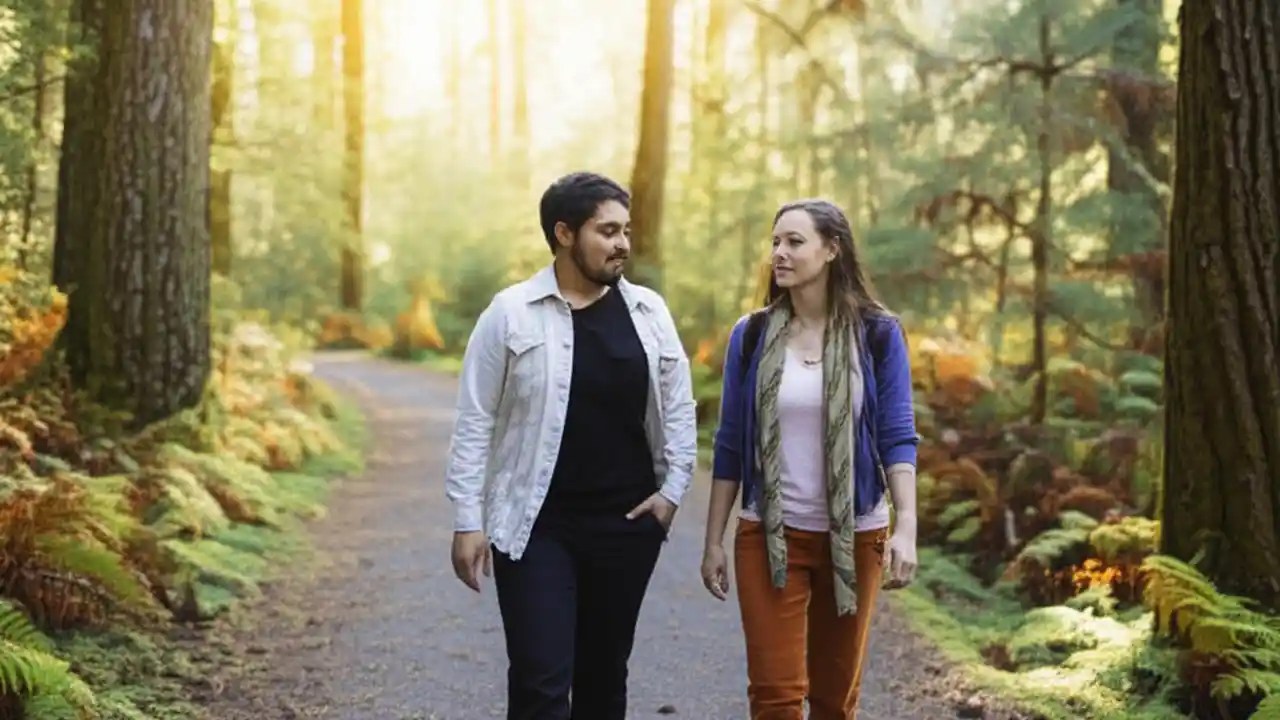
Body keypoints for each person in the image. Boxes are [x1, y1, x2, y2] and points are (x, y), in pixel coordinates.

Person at [443, 171, 698, 720]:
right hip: (535, 527)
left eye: (626, 231)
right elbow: (474, 419)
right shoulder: (510, 313)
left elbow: (679, 409)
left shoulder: (649, 313)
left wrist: (671, 494)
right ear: (564, 233)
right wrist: (468, 519)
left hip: (627, 526)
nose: (623, 244)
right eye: (607, 231)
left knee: (604, 679)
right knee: (540, 684)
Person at [700, 199, 920, 719]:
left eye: (794, 242)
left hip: (857, 533)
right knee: (775, 697)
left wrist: (906, 523)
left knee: (833, 700)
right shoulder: (751, 335)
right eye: (776, 241)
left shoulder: (877, 334)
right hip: (768, 535)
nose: (779, 252)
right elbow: (730, 442)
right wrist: (713, 540)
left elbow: (897, 435)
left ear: (831, 250)